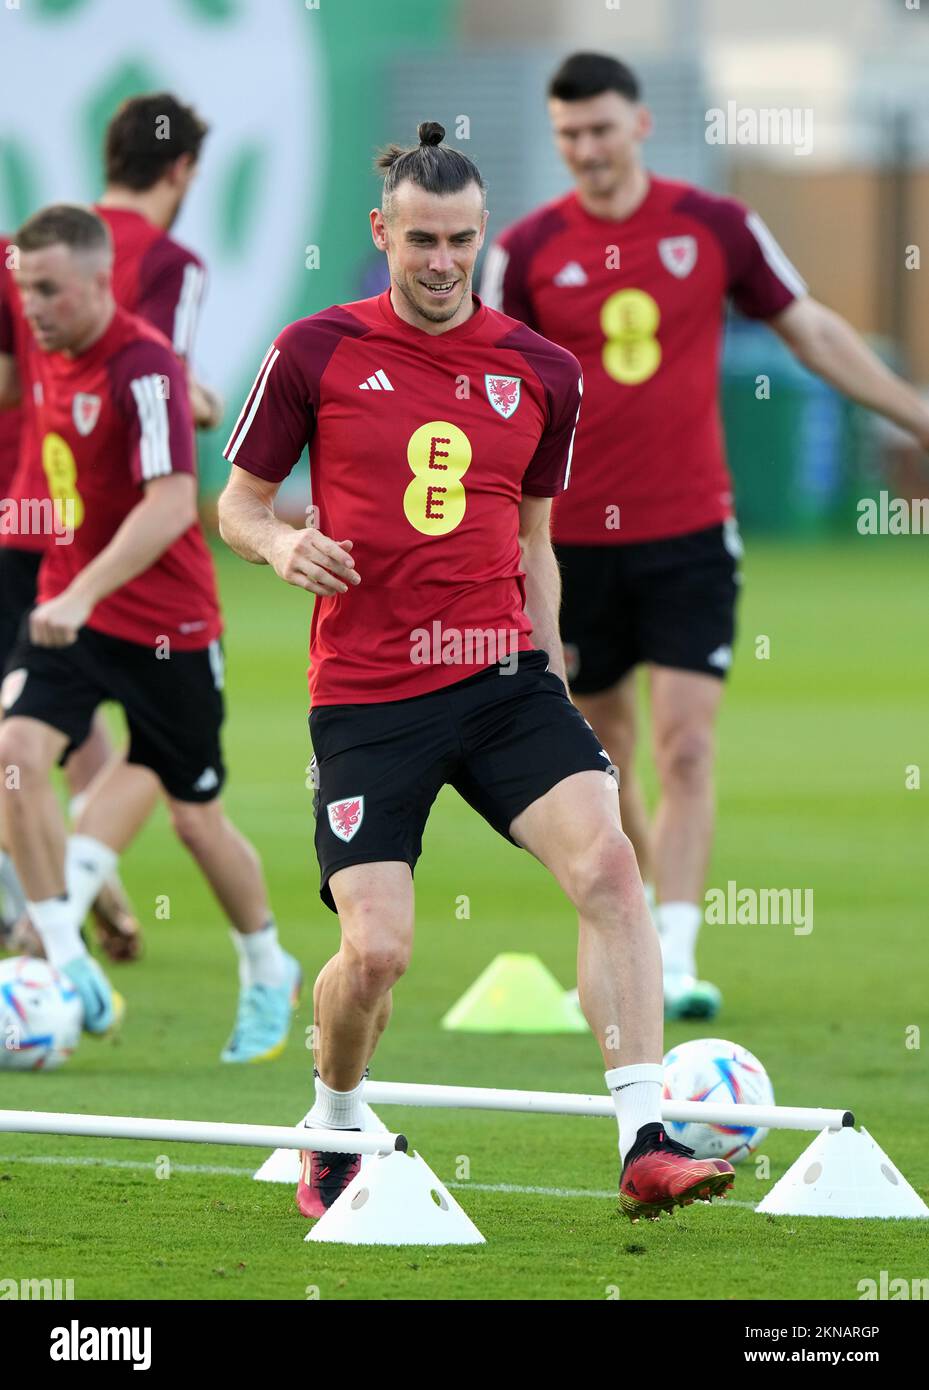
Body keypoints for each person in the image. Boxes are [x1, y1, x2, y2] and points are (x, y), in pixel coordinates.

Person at [218, 122, 734, 1223]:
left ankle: (644, 1136)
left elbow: (534, 539)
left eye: (459, 241)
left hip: (501, 678)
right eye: (420, 242)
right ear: (380, 232)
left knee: (607, 866)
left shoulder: (543, 370)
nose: (441, 263)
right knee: (377, 951)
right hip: (363, 694)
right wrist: (277, 545)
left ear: (482, 232)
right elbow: (238, 505)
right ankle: (336, 1118)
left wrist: (545, 664)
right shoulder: (312, 351)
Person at [481, 52, 929, 1019]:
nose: (587, 150)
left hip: (688, 532)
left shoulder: (715, 226)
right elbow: (486, 390)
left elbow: (807, 328)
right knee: (605, 752)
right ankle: (636, 929)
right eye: (568, 135)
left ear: (639, 125)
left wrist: (912, 410)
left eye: (602, 129)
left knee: (686, 747)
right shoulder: (524, 249)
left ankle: (673, 958)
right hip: (572, 543)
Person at [0, 204, 300, 1063]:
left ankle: (264, 963)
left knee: (195, 816)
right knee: (16, 749)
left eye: (50, 289)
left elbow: (173, 505)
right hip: (73, 608)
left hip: (164, 622)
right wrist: (70, 594)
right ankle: (63, 958)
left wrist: (83, 593)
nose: (34, 306)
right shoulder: (45, 348)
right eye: (25, 289)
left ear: (99, 283)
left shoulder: (142, 368)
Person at [0, 93, 223, 963]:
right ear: (182, 170)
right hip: (103, 531)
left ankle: (70, 902)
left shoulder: (32, 244)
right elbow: (155, 378)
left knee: (48, 720)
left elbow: (14, 387)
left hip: (26, 523)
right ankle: (56, 912)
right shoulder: (168, 262)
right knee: (116, 726)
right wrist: (202, 403)